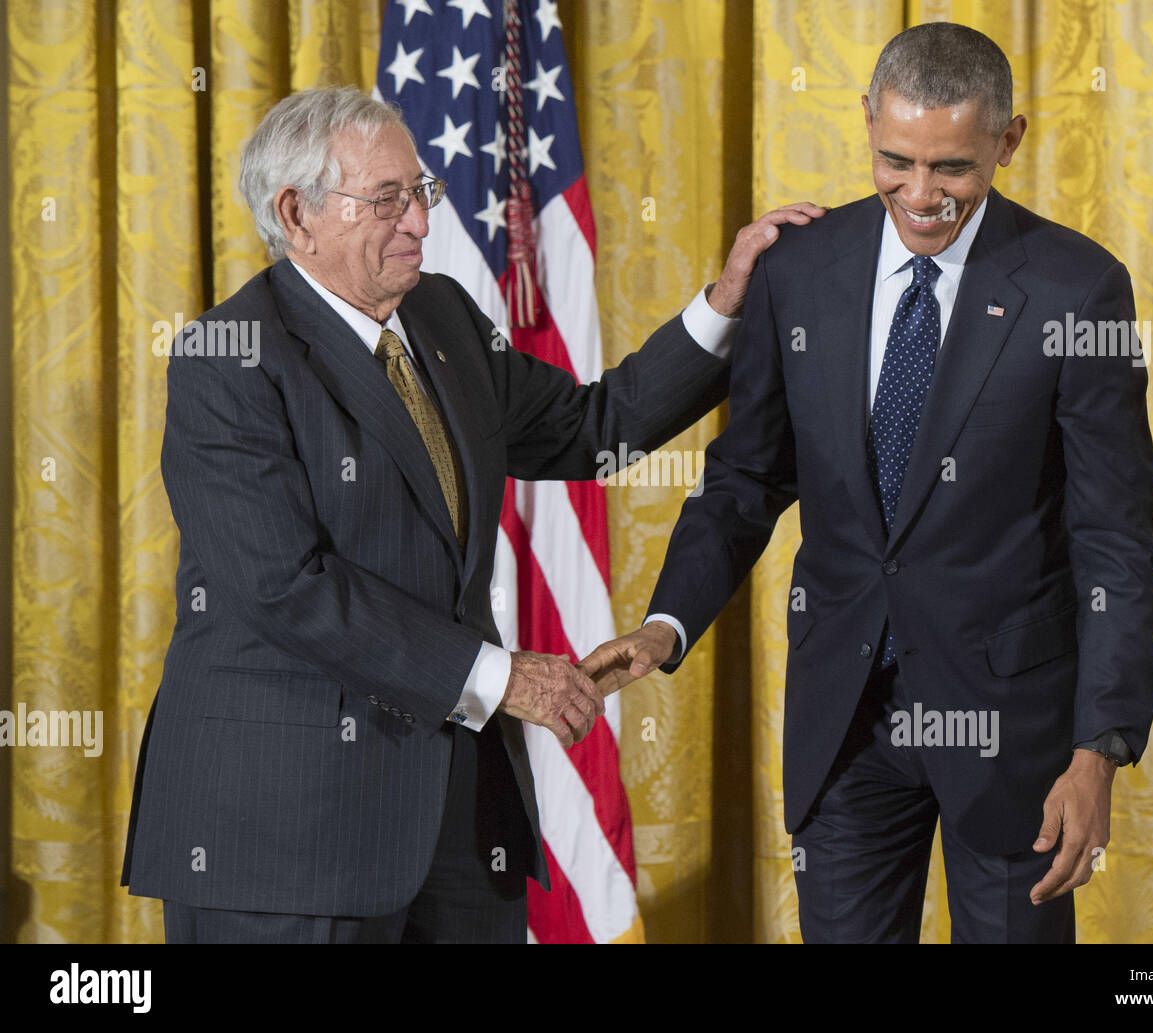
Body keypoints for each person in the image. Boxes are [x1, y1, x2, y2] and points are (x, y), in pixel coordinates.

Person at [120, 85, 822, 944]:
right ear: (296, 214)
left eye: (422, 192)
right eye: (387, 200)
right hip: (282, 838)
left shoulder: (442, 312)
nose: (419, 221)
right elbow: (287, 588)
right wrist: (502, 678)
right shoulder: (226, 360)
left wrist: (728, 302)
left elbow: (592, 428)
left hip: (458, 825)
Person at [580, 22, 1153, 943]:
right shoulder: (797, 269)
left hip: (1011, 734)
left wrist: (1100, 751)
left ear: (1008, 142)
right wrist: (666, 625)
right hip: (845, 724)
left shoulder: (1079, 290)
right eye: (896, 161)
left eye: (954, 170)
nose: (921, 196)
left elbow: (1116, 539)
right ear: (865, 123)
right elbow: (745, 477)